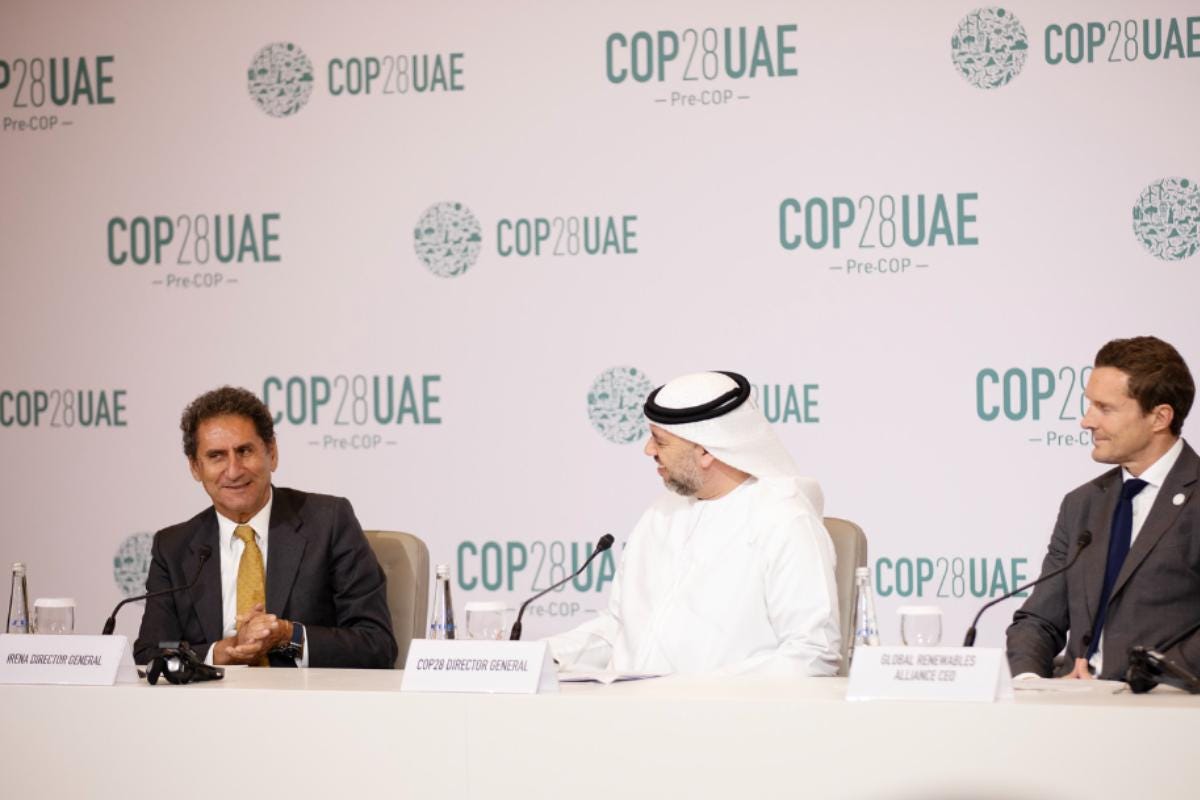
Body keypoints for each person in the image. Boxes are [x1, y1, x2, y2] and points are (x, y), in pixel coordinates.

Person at [548, 370, 840, 676]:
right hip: (629, 703)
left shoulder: (783, 521)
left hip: (720, 705)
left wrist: (698, 691)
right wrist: (542, 656)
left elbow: (811, 654)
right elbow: (621, 631)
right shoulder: (660, 514)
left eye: (660, 442)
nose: (648, 450)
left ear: (705, 451)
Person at [133, 386, 397, 668]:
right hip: (210, 696)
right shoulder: (173, 547)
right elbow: (152, 652)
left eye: (244, 451)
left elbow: (376, 643)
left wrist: (288, 636)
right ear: (195, 468)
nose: (234, 471)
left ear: (272, 452)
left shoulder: (328, 522)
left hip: (305, 695)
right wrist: (220, 652)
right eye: (216, 456)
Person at [1007, 336, 1199, 680]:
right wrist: (1031, 683)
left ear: (1159, 417)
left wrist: (1147, 681)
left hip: (1166, 703)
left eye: (1105, 408)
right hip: (1074, 701)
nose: (1087, 421)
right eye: (1089, 405)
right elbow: (1039, 620)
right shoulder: (1081, 504)